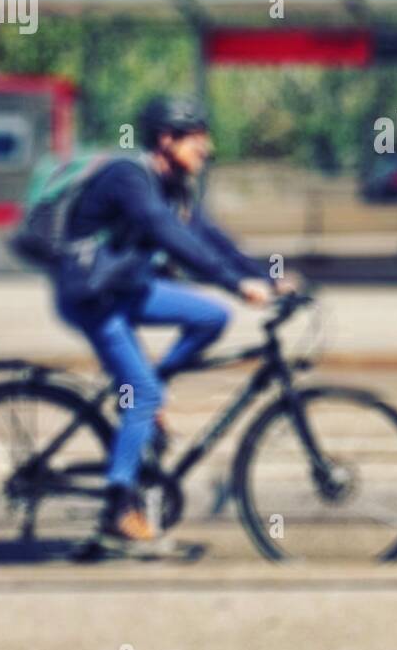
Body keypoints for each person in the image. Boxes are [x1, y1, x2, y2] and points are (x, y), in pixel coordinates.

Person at [54, 95, 292, 552]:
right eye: (197, 137)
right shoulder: (130, 179)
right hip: (92, 297)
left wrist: (266, 277)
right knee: (142, 393)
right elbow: (169, 237)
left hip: (124, 289)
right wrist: (233, 283)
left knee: (211, 317)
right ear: (167, 139)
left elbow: (206, 237)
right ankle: (119, 508)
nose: (207, 146)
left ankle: (149, 393)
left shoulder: (174, 186)